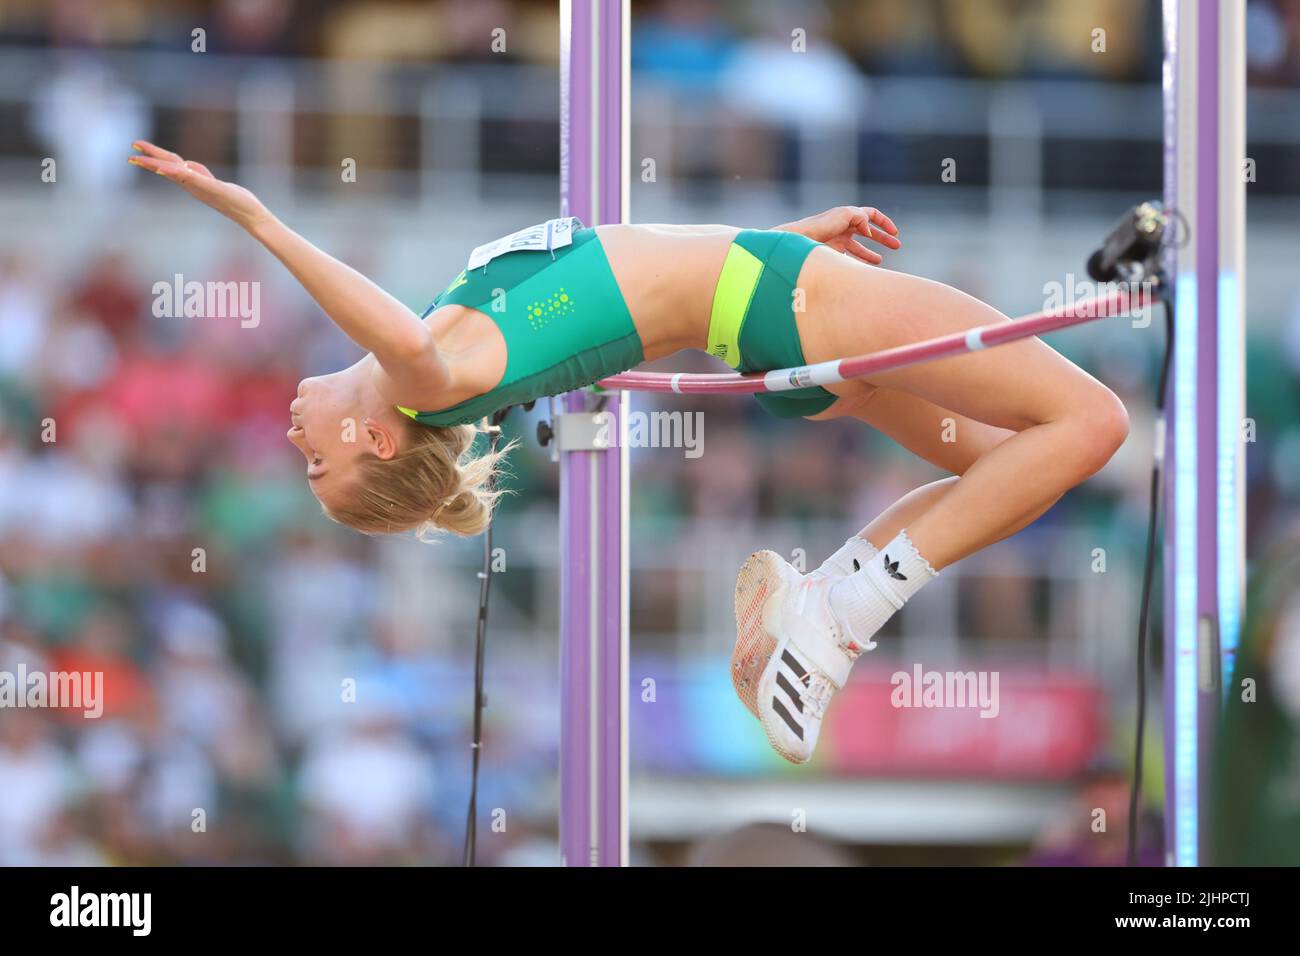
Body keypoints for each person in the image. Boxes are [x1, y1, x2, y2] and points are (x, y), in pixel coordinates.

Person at [128, 140, 1129, 764]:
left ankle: (821, 597)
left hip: (769, 313)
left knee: (1005, 465)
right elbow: (408, 336)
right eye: (318, 461)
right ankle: (839, 611)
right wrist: (256, 215)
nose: (292, 439)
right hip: (781, 304)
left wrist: (788, 245)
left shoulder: (471, 343)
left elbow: (647, 291)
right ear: (378, 437)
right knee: (1090, 426)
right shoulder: (434, 370)